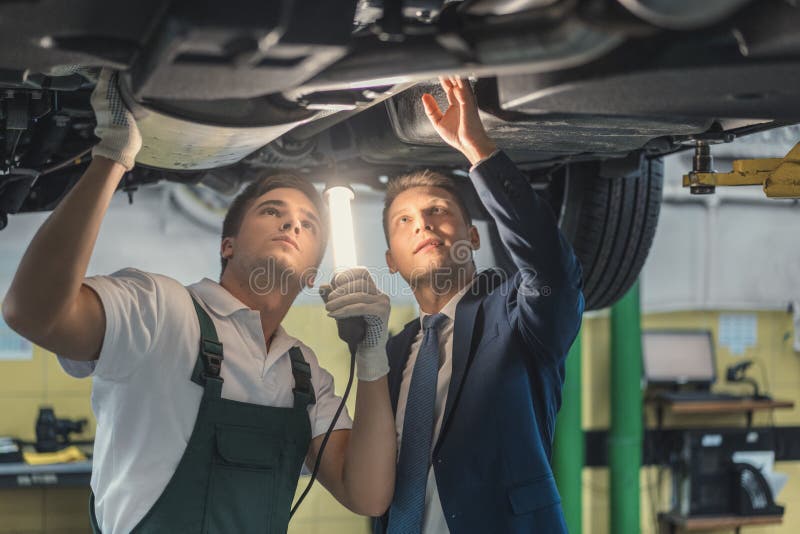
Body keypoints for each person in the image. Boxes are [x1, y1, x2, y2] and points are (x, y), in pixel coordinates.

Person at [1, 69, 396, 533]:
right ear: (227, 245)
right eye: (274, 212)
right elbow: (32, 312)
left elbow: (367, 494)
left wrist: (372, 357)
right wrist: (110, 159)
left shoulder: (303, 375)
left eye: (309, 225)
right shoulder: (161, 310)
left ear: (312, 273)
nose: (293, 226)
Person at [375, 77, 584, 533]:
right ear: (391, 261)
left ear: (472, 238)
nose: (422, 224)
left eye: (438, 211)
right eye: (404, 221)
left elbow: (552, 269)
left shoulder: (516, 316)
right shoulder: (389, 354)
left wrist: (479, 152)